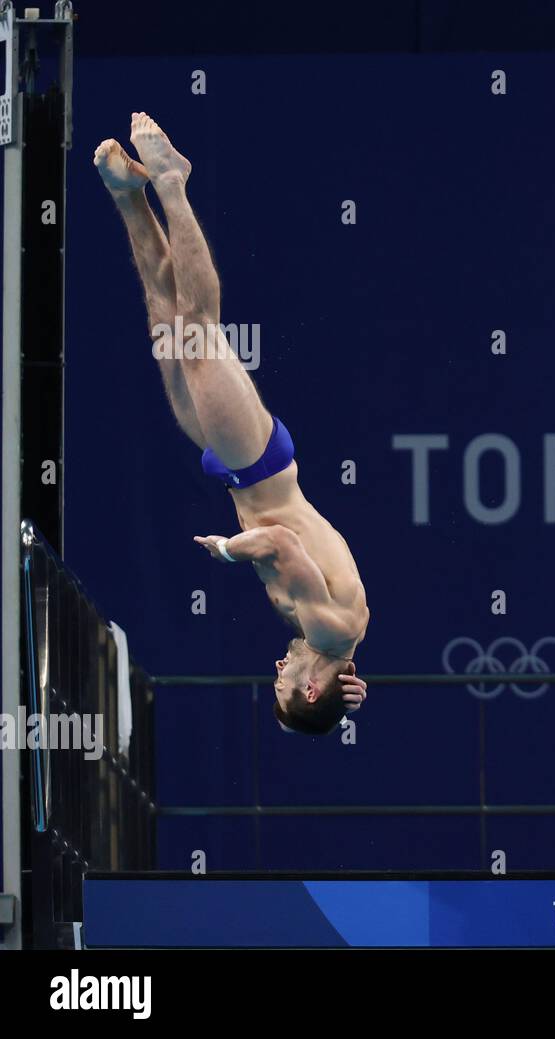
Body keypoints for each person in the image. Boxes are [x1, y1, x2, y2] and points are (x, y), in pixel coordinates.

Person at [95, 113, 369, 735]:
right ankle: (171, 182)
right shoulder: (331, 631)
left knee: (168, 330)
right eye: (282, 679)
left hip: (238, 467)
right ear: (307, 686)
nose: (276, 663)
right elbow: (281, 545)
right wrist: (227, 550)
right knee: (197, 330)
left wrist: (345, 678)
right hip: (259, 463)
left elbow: (330, 640)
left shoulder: (331, 638)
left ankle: (128, 196)